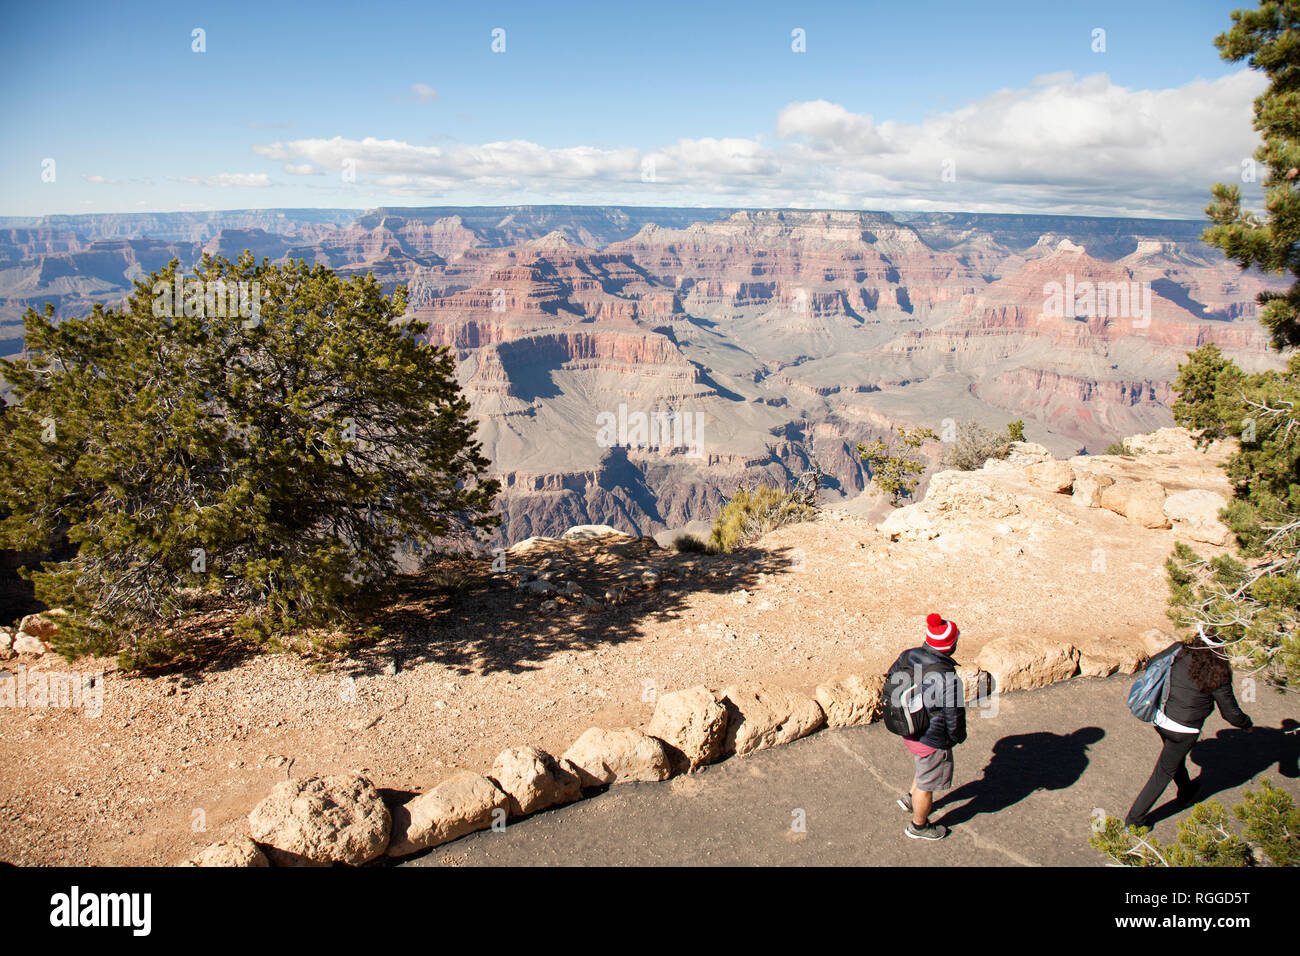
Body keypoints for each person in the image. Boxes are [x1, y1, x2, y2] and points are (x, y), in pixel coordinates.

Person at [1124, 629, 1253, 828]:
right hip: (1184, 730)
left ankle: (1186, 792)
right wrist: (1246, 724)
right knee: (1163, 772)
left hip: (1160, 717)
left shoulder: (1181, 650)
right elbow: (1230, 713)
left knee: (1173, 759)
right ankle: (1134, 820)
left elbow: (1153, 663)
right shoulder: (1219, 673)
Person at [892, 612, 967, 840]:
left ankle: (910, 798)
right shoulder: (949, 679)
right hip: (931, 737)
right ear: (950, 646)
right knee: (929, 781)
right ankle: (919, 826)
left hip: (907, 727)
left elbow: (891, 677)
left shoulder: (909, 655)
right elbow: (954, 718)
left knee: (924, 767)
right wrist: (956, 737)